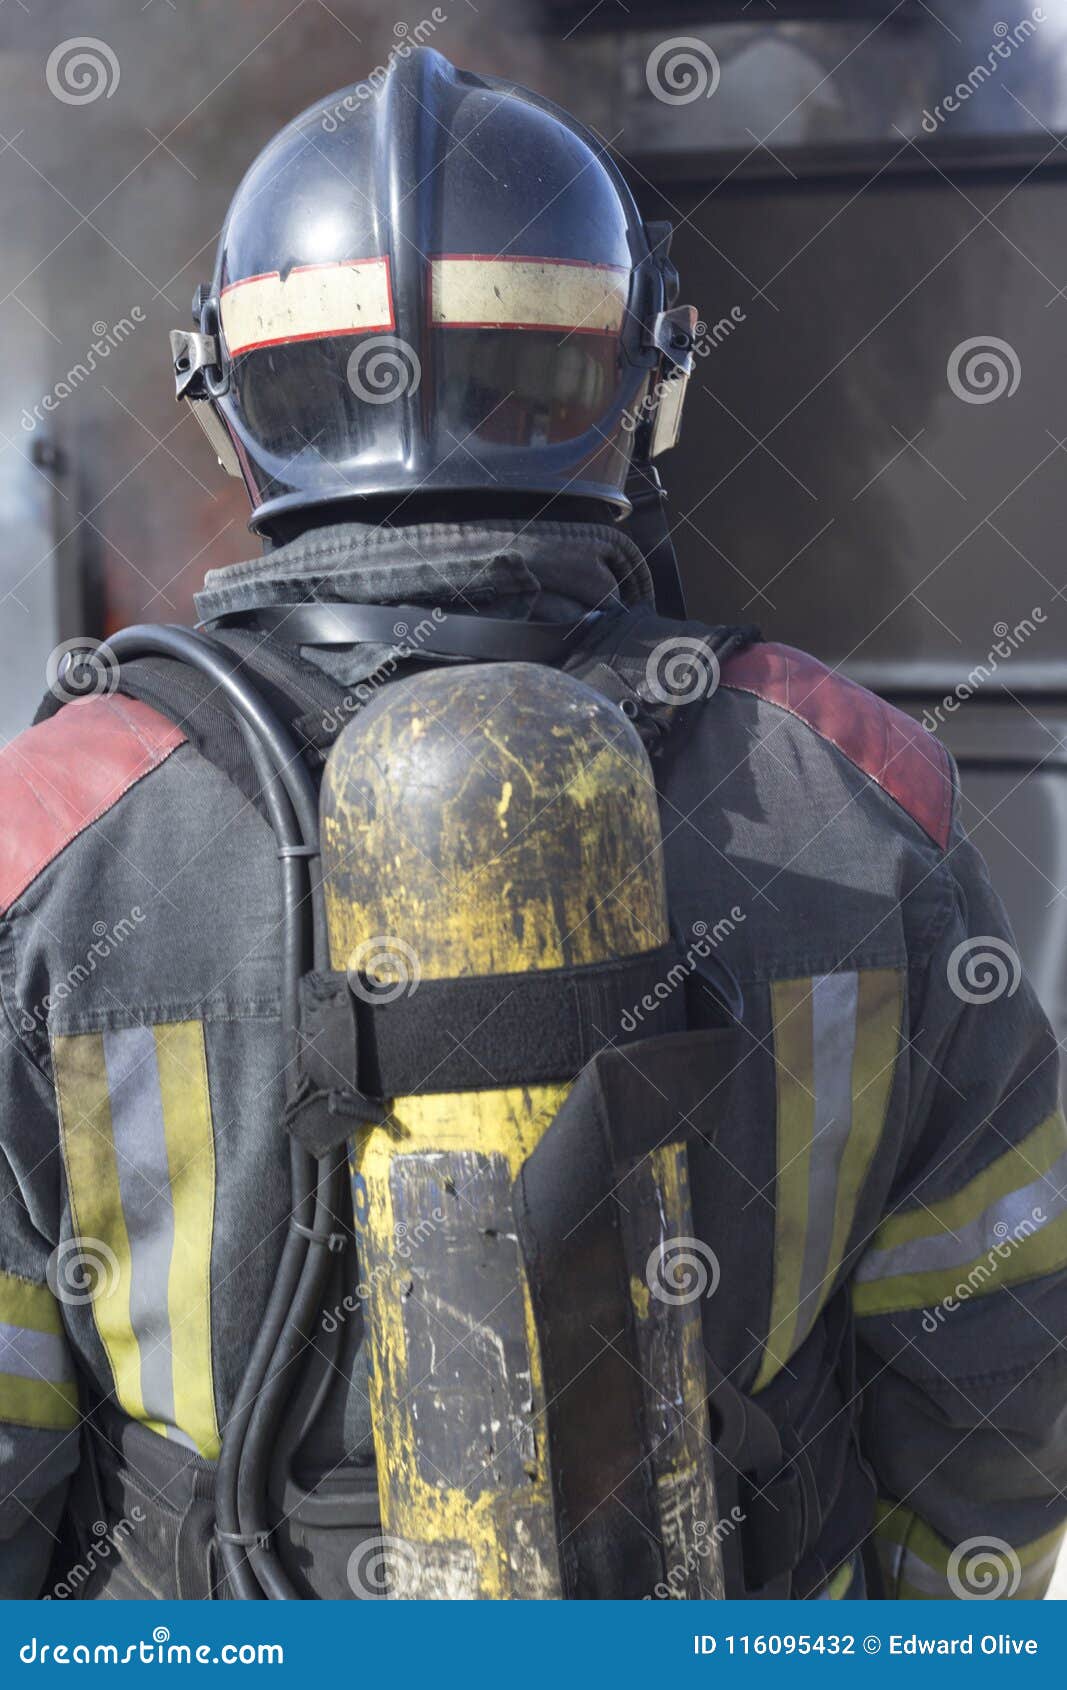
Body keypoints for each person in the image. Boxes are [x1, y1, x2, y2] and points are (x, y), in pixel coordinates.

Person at [1, 46, 1064, 1602]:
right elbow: (1002, 1359)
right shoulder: (851, 791)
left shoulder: (56, 838)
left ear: (235, 414)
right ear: (643, 392)